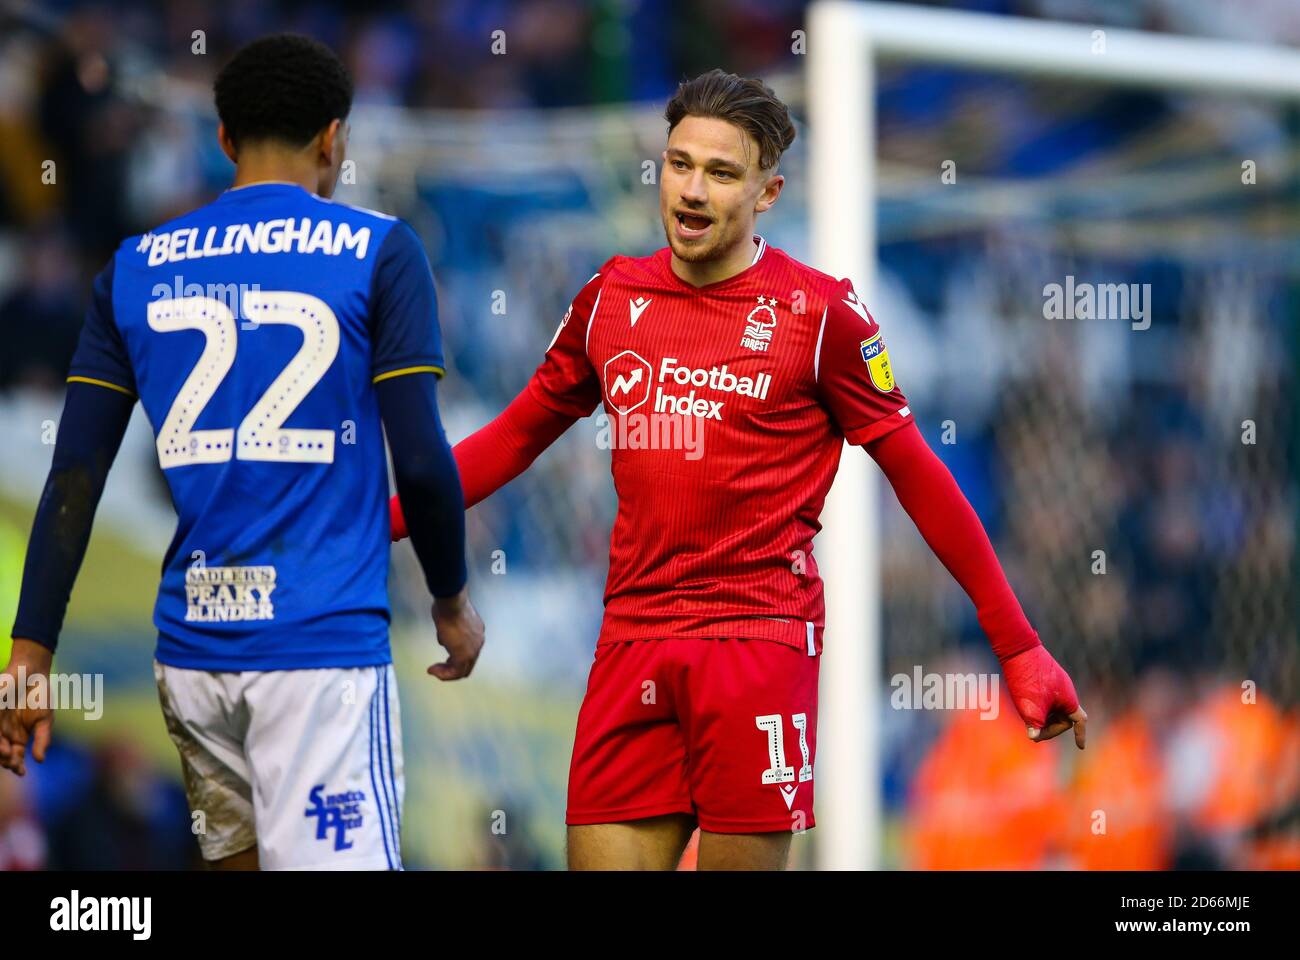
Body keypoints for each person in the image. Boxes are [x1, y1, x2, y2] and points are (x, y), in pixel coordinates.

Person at [391, 69, 1086, 871]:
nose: (692, 190)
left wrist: (1020, 646)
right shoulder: (610, 299)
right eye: (679, 164)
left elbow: (921, 477)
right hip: (632, 645)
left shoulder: (821, 315)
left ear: (767, 193)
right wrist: (368, 520)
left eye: (721, 173)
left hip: (756, 648)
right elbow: (508, 441)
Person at [0, 34, 484, 871]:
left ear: (222, 141)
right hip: (317, 647)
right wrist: (450, 599)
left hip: (193, 656)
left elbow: (75, 474)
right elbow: (423, 462)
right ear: (334, 138)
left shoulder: (133, 268)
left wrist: (30, 655)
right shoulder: (381, 251)